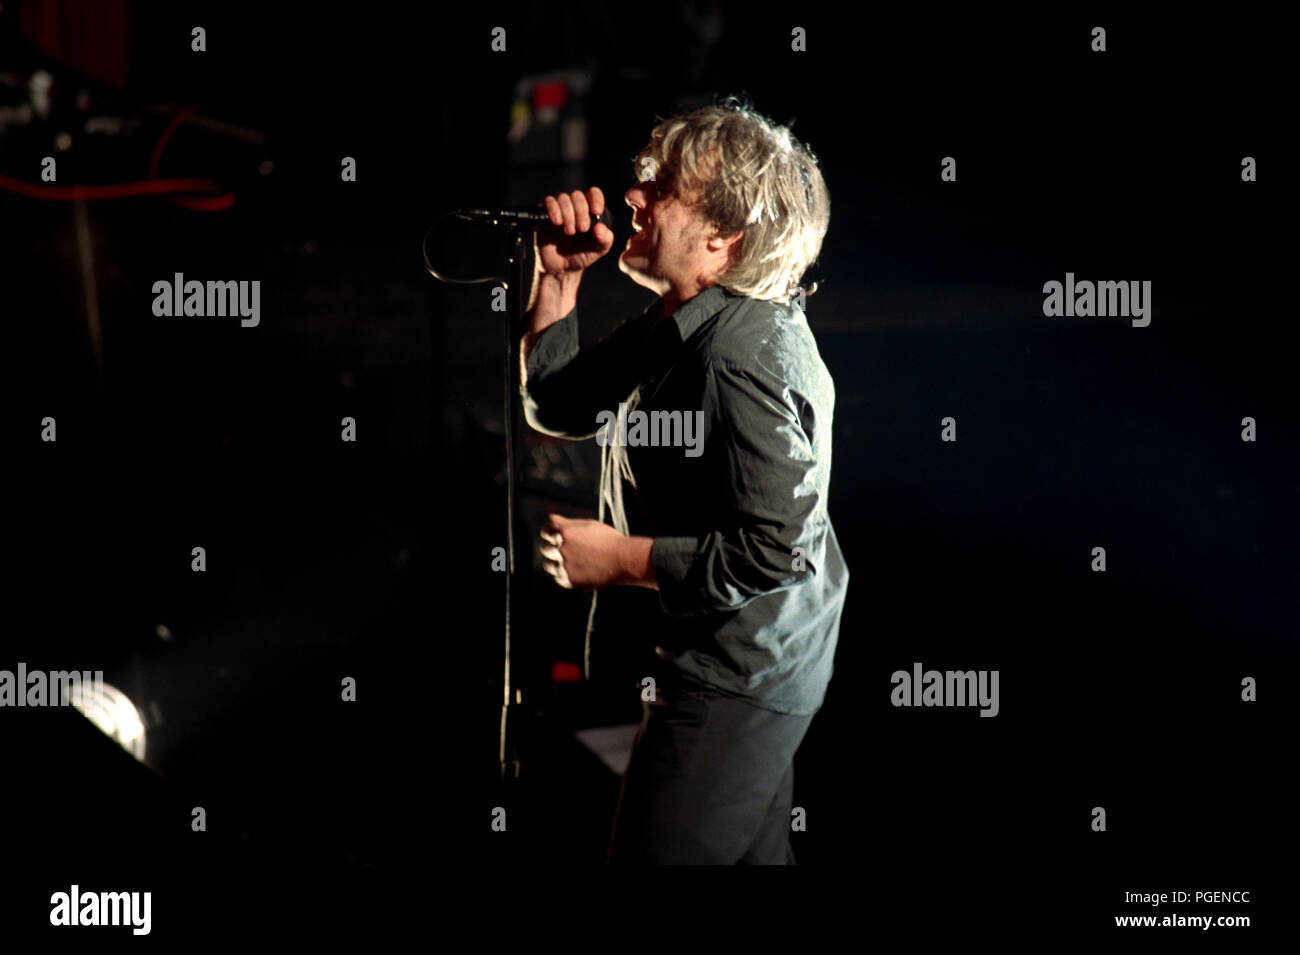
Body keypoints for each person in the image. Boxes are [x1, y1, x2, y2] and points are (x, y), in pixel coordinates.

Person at [521, 98, 848, 864]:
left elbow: (775, 549)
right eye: (644, 175)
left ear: (722, 239)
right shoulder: (685, 318)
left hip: (736, 678)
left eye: (660, 187)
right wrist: (558, 284)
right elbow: (560, 400)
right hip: (735, 666)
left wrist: (620, 558)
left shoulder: (742, 355)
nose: (633, 195)